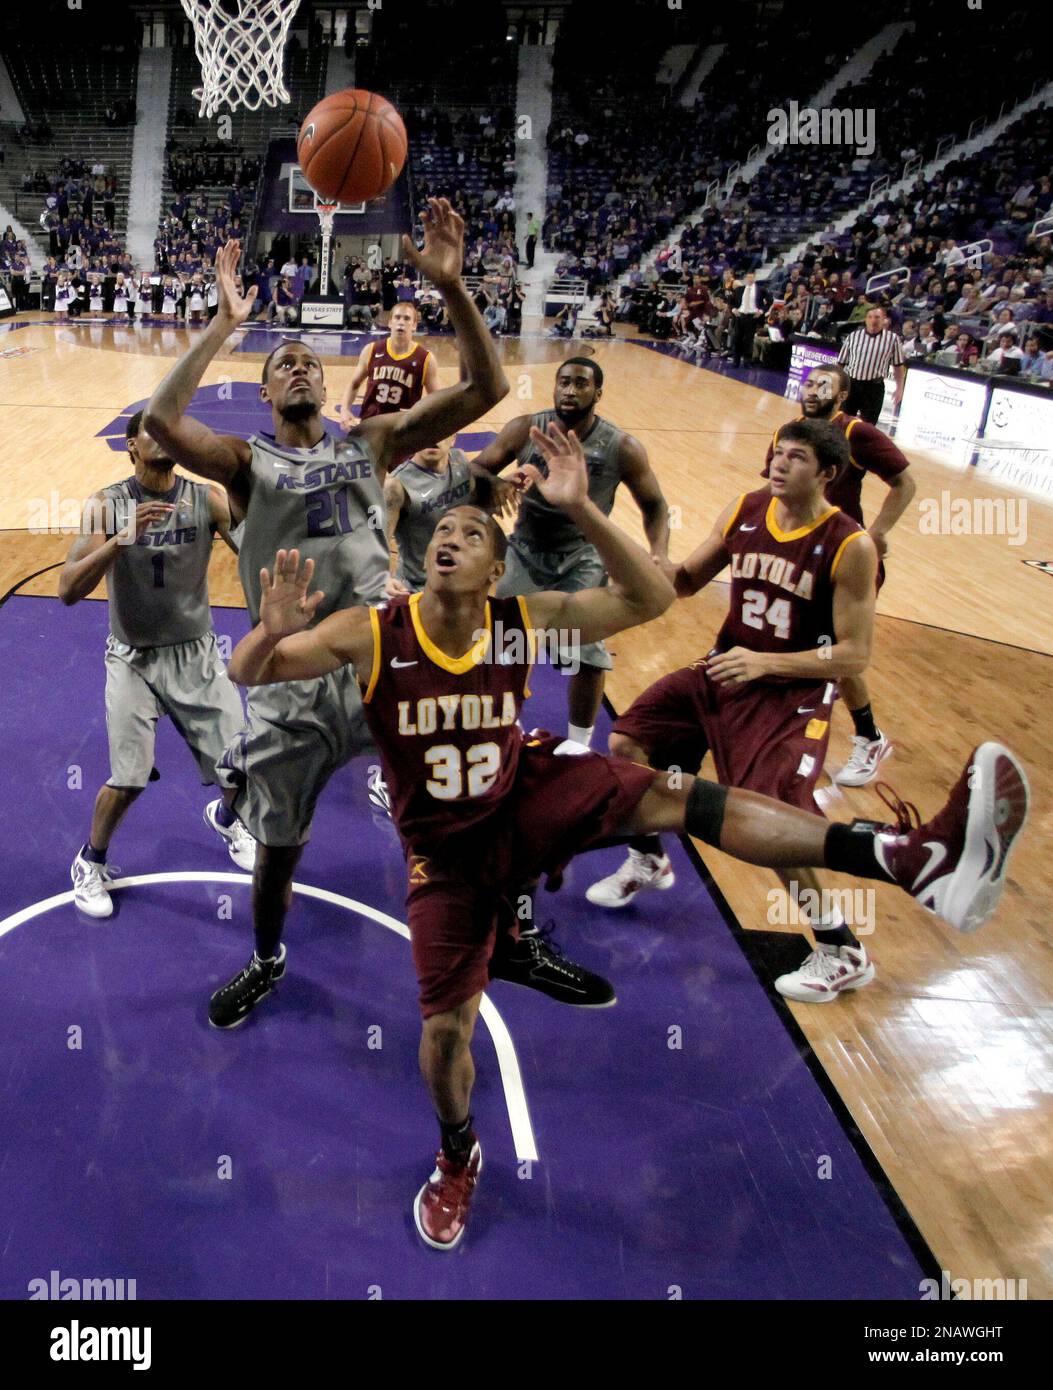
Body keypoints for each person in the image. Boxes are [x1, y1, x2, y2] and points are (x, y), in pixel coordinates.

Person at [227, 423, 1029, 1249]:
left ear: (496, 569)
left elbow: (649, 599)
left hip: (525, 794)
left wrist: (584, 510)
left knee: (679, 795)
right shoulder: (373, 631)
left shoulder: (520, 621)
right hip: (448, 856)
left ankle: (903, 857)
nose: (450, 538)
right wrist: (265, 628)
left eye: (472, 533)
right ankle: (458, 1153)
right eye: (440, 532)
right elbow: (249, 673)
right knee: (442, 1034)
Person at [142, 204, 599, 1026]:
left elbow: (489, 389)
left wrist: (454, 286)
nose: (299, 369)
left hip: (388, 659)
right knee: (280, 853)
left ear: (327, 380)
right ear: (263, 388)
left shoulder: (372, 440)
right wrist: (220, 323)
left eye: (308, 360)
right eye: (281, 364)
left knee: (481, 797)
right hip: (293, 672)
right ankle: (267, 955)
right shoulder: (248, 463)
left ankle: (516, 934)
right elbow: (160, 424)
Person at [59, 411, 253, 918]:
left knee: (243, 766)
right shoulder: (107, 504)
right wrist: (118, 541)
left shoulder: (206, 499)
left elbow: (255, 553)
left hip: (196, 652)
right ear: (130, 446)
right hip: (134, 659)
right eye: (152, 432)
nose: (164, 439)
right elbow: (67, 590)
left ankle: (228, 819)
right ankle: (90, 860)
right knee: (129, 778)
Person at [472, 357, 670, 750]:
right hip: (525, 550)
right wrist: (496, 482)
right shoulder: (524, 429)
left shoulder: (622, 447)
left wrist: (658, 552)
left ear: (597, 393)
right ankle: (501, 731)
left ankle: (579, 744)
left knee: (586, 652)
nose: (569, 390)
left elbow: (655, 505)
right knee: (506, 645)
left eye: (580, 383)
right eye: (564, 382)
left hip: (584, 555)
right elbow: (475, 470)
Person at [760, 364, 915, 785]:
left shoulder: (856, 433)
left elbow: (905, 482)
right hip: (799, 552)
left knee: (835, 651)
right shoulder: (787, 433)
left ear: (841, 395)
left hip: (847, 555)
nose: (812, 391)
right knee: (797, 642)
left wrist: (878, 532)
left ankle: (867, 736)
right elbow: (770, 492)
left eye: (822, 385)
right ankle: (780, 728)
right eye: (808, 383)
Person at [384, 438, 515, 594]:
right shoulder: (396, 485)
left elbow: (471, 511)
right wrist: (382, 577)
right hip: (419, 587)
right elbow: (376, 538)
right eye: (427, 431)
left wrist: (498, 491)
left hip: (463, 581)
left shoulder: (460, 460)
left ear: (453, 438)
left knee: (499, 617)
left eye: (441, 431)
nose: (434, 437)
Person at [335, 301, 438, 426]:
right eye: (397, 317)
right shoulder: (371, 349)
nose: (401, 322)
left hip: (403, 429)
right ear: (390, 322)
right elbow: (354, 384)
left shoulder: (425, 358)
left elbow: (436, 399)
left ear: (414, 325)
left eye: (407, 319)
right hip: (371, 424)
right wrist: (345, 410)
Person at [837, 306, 906, 423]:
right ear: (865, 319)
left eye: (877, 317)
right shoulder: (853, 336)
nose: (873, 320)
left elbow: (898, 367)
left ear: (884, 319)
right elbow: (840, 363)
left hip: (874, 387)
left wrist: (899, 388)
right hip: (852, 384)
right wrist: (837, 384)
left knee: (868, 425)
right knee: (843, 421)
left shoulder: (893, 339)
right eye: (870, 317)